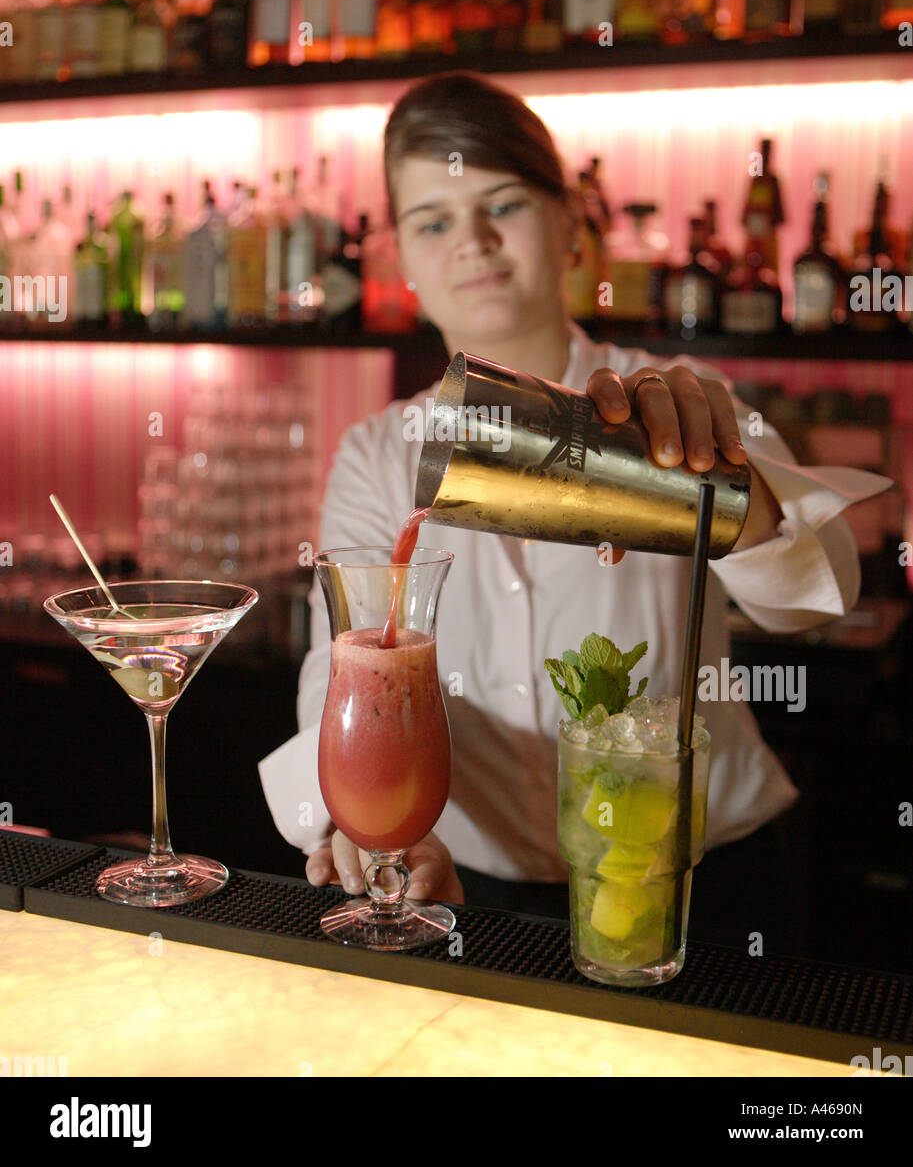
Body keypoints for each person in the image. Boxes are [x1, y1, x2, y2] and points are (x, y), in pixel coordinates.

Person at [259, 71, 889, 932]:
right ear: (401, 259)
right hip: (472, 885)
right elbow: (348, 661)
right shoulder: (378, 453)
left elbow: (813, 601)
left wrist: (722, 480)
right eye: (433, 221)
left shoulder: (681, 400)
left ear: (570, 227)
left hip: (696, 883)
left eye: (504, 204)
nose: (472, 241)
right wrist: (371, 827)